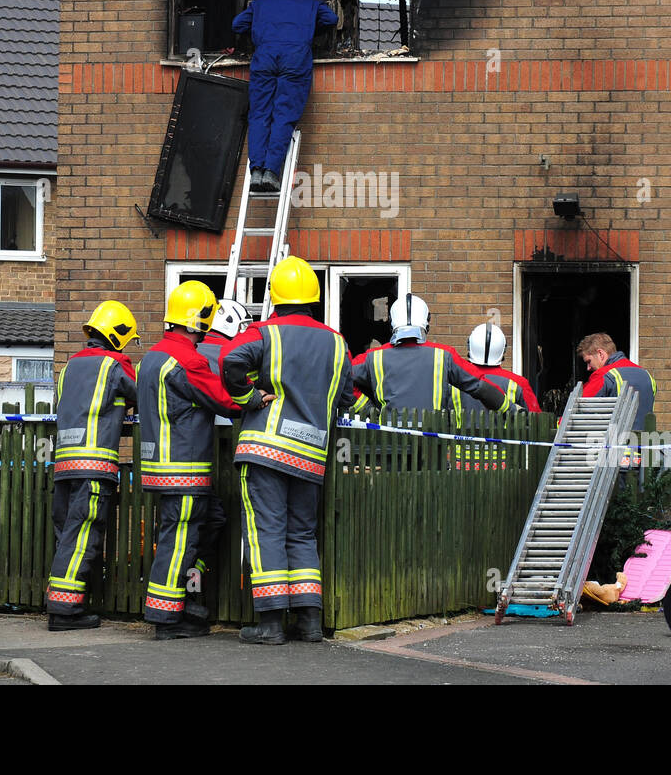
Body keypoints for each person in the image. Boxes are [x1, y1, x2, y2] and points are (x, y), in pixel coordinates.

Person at [221, 256, 354, 644]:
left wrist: (249, 398)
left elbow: (231, 362)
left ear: (275, 297)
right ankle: (310, 622)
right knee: (301, 534)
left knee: (267, 532)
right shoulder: (337, 342)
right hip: (311, 455)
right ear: (313, 298)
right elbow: (345, 396)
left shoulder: (265, 332)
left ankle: (270, 624)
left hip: (266, 448)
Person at [137, 282, 266, 640]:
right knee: (179, 539)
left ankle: (186, 606)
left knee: (204, 523)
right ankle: (166, 619)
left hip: (162, 466)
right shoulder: (188, 360)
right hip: (184, 468)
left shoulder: (152, 357)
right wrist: (255, 399)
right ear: (201, 319)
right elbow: (225, 400)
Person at [46, 300, 139, 631]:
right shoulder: (115, 365)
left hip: (63, 465)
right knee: (83, 535)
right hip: (94, 464)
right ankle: (63, 611)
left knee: (67, 535)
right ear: (117, 336)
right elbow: (141, 394)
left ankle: (68, 603)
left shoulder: (69, 366)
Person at [231, 0, 338, 193]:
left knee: (259, 114)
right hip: (295, 61)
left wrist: (263, 31)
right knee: (284, 114)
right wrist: (306, 28)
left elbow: (237, 25)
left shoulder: (259, 6)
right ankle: (271, 171)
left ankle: (256, 171)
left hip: (265, 59)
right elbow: (332, 19)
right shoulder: (311, 5)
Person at [352, 294, 508, 417]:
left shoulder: (372, 357)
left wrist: (366, 407)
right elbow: (478, 384)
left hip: (388, 444)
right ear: (427, 322)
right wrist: (511, 408)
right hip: (431, 445)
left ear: (392, 322)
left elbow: (341, 376)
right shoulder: (444, 356)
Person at [458, 321, 540, 470]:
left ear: (470, 347)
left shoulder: (455, 382)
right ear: (503, 350)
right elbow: (537, 422)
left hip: (462, 463)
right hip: (504, 465)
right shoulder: (518, 384)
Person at [578, 332, 657, 431]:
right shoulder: (647, 375)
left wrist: (559, 425)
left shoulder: (603, 375)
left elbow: (578, 409)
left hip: (615, 443)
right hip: (643, 443)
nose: (588, 368)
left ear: (601, 354)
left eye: (589, 361)